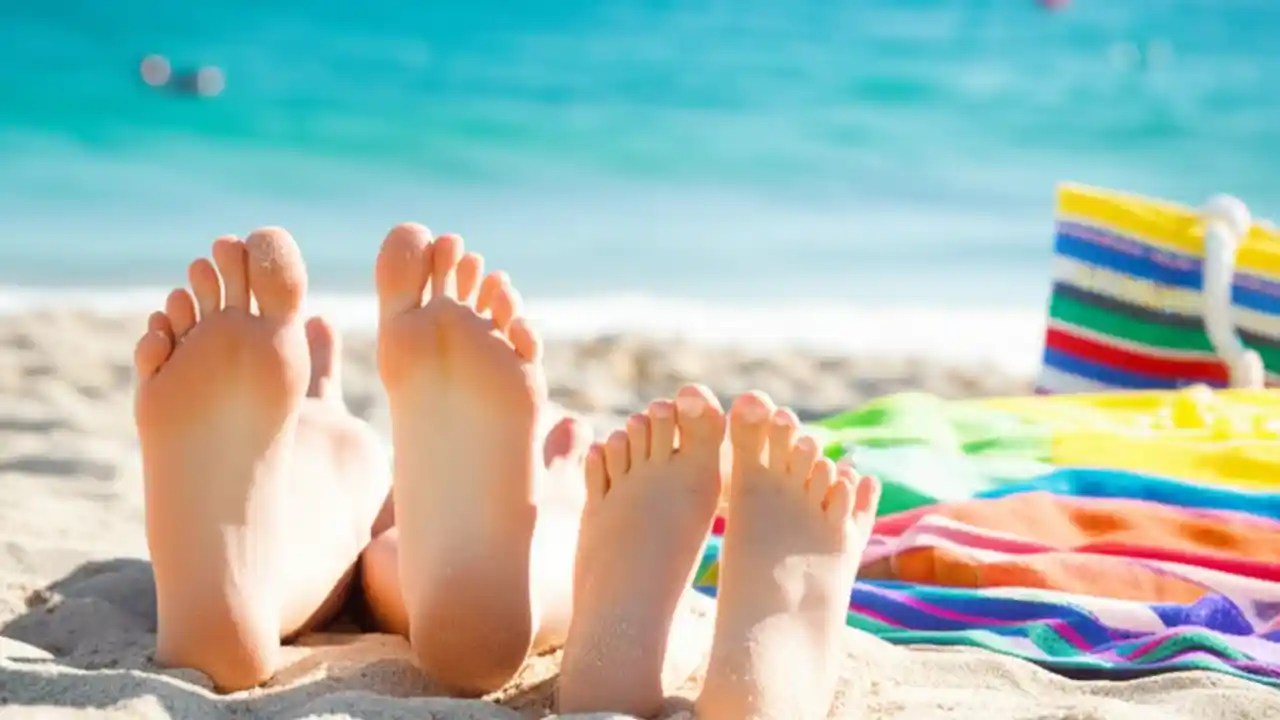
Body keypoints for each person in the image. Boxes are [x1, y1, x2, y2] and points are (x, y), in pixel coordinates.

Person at [133, 224, 881, 718]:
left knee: (333, 469)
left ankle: (248, 583)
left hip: (332, 500)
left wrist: (318, 406)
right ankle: (742, 653)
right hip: (427, 557)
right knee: (488, 519)